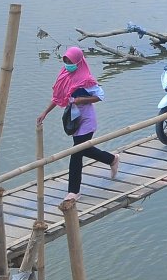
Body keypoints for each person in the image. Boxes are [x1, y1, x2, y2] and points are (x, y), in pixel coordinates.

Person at [38, 46, 118, 202]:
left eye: (71, 61)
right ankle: (112, 159)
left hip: (86, 119)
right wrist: (44, 113)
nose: (68, 64)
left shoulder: (86, 79)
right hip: (74, 119)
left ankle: (74, 191)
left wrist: (83, 100)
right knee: (84, 150)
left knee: (76, 154)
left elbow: (100, 96)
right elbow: (57, 97)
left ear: (78, 61)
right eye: (66, 61)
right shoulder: (64, 75)